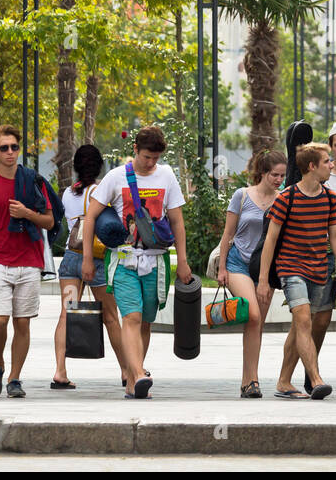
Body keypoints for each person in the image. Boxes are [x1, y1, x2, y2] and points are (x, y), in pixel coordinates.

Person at [80, 125, 192, 399]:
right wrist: (86, 259)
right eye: (146, 157)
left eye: (155, 158)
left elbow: (177, 220)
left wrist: (184, 261)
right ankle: (140, 373)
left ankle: (133, 380)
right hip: (124, 260)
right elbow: (91, 216)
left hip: (156, 261)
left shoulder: (166, 176)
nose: (151, 163)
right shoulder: (116, 177)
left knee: (145, 322)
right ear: (135, 151)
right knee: (131, 316)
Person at [278, 121, 336, 398]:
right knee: (317, 319)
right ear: (330, 147)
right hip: (317, 254)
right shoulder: (318, 174)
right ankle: (311, 374)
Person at [255, 142, 336, 401]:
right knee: (304, 319)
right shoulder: (287, 198)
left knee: (303, 325)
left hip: (319, 268)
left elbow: (335, 238)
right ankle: (316, 379)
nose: (331, 165)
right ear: (312, 166)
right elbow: (271, 240)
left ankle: (284, 381)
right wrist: (263, 280)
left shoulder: (330, 198)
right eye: (326, 161)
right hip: (291, 267)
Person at [0, 124, 55, 399]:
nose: (10, 153)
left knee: (23, 323)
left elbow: (49, 221)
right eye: (4, 148)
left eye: (14, 147)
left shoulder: (33, 181)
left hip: (29, 261)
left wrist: (27, 213)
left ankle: (15, 378)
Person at [51, 144, 125, 390]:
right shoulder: (99, 191)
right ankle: (127, 370)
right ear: (99, 166)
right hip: (95, 260)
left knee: (65, 314)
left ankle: (60, 370)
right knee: (111, 318)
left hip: (71, 258)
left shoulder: (67, 193)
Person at [215, 149, 287, 398]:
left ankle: (249, 381)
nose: (278, 180)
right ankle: (252, 379)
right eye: (274, 175)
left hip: (264, 268)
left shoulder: (283, 199)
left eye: (282, 176)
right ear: (263, 173)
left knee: (257, 324)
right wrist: (222, 267)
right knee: (253, 314)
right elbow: (228, 234)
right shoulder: (242, 195)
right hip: (238, 262)